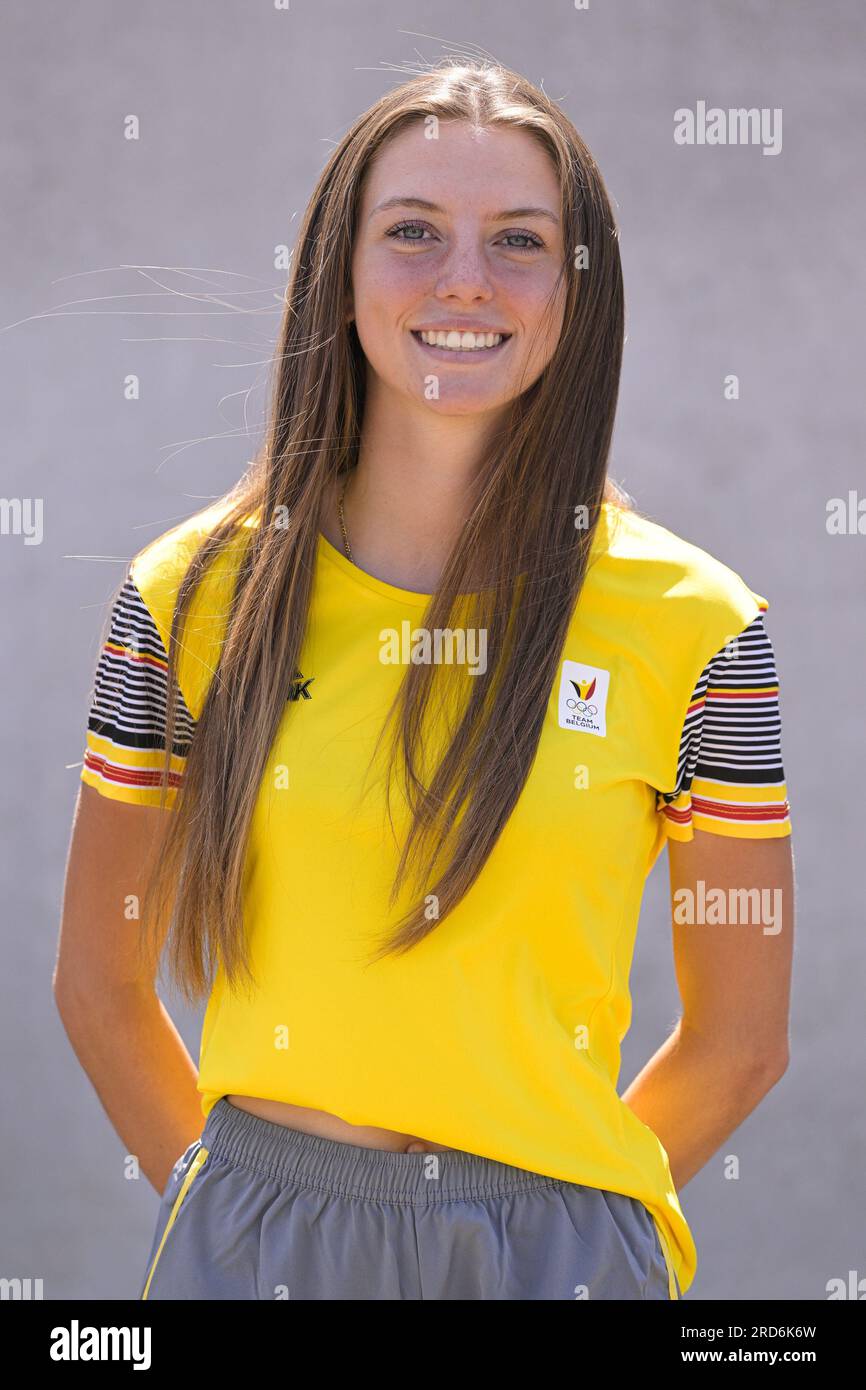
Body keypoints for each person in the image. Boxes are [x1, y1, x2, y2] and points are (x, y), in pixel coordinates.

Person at [55, 59, 794, 1301]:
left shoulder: (700, 629)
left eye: (518, 240)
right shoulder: (185, 598)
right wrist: (231, 1219)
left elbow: (739, 1043)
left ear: (578, 286)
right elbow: (98, 981)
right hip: (255, 1244)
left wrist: (570, 1223)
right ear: (338, 272)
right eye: (411, 233)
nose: (463, 279)